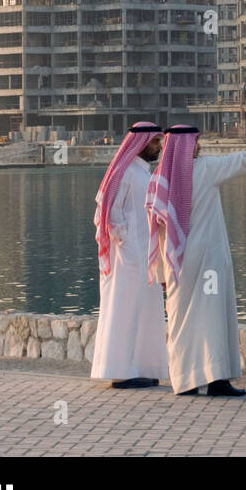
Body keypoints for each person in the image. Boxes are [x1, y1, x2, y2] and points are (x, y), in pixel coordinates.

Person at [146, 125, 246, 397]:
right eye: (196, 142)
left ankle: (186, 381)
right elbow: (245, 161)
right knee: (212, 318)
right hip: (208, 262)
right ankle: (217, 381)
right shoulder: (205, 169)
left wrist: (161, 272)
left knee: (182, 323)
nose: (199, 147)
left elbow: (158, 233)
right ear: (186, 145)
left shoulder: (158, 180)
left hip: (177, 265)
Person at [90, 122, 168, 389]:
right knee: (123, 311)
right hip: (127, 258)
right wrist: (126, 244)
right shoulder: (124, 172)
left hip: (144, 256)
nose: (159, 147)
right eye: (155, 142)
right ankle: (121, 372)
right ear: (142, 143)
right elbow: (109, 211)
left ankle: (141, 367)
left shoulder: (142, 172)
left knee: (145, 311)